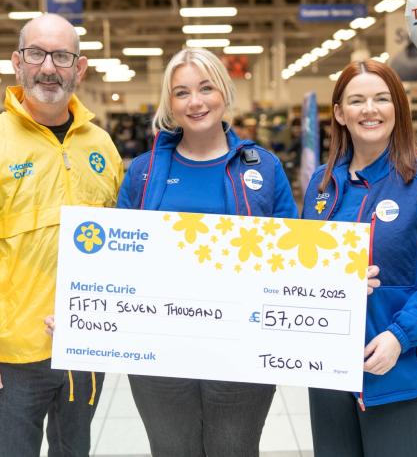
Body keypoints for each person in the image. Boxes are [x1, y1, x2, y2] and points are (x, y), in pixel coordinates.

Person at [0, 13, 123, 457]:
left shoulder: (101, 145)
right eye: (36, 54)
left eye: (62, 56)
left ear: (80, 68)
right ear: (17, 63)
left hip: (85, 342)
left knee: (74, 450)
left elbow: (122, 246)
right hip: (12, 353)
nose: (48, 67)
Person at [117, 47, 297, 456]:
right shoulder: (143, 171)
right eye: (181, 93)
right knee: (171, 450)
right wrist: (81, 305)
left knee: (235, 449)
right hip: (159, 349)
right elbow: (118, 259)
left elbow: (291, 251)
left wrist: (339, 280)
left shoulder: (263, 167)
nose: (195, 102)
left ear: (224, 93)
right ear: (169, 103)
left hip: (241, 347)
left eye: (205, 88)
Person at [302, 60, 417, 457]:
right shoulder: (322, 185)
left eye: (382, 99)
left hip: (400, 373)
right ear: (339, 113)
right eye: (357, 100)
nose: (370, 110)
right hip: (330, 374)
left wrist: (400, 336)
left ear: (398, 107)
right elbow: (303, 265)